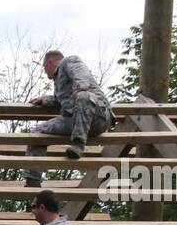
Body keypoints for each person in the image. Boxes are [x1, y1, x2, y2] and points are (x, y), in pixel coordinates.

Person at [21, 50, 115, 187]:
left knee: (83, 96)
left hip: (97, 115)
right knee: (37, 132)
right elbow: (61, 101)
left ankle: (78, 144)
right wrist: (45, 100)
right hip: (75, 121)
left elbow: (81, 73)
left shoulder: (70, 61)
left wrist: (81, 88)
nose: (44, 71)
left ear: (50, 62)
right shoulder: (58, 82)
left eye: (44, 67)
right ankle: (33, 180)